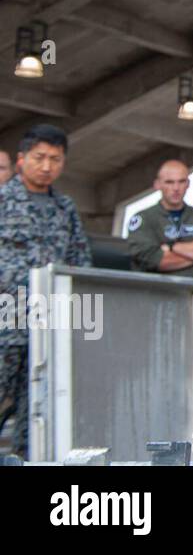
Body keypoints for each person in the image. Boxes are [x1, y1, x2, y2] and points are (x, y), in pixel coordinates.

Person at [0, 125, 91, 460]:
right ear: (22, 159)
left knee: (35, 410)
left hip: (47, 329)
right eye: (39, 157)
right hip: (5, 324)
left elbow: (79, 261)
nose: (47, 166)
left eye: (55, 159)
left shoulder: (64, 208)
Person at [127, 160, 193, 279]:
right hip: (155, 290)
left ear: (188, 184)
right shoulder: (143, 219)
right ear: (157, 184)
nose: (176, 188)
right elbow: (154, 260)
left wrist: (171, 247)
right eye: (169, 182)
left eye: (181, 181)